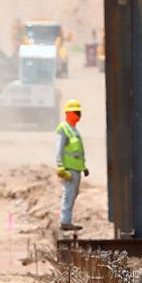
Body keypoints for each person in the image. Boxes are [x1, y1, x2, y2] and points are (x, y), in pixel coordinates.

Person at [55, 99, 89, 230]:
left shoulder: (74, 129)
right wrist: (60, 166)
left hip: (76, 169)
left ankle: (67, 220)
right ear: (69, 113)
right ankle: (65, 221)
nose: (78, 115)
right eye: (76, 112)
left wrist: (84, 167)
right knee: (69, 193)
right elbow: (59, 148)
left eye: (79, 112)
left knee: (73, 193)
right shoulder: (64, 128)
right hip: (69, 169)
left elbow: (78, 151)